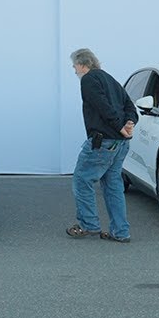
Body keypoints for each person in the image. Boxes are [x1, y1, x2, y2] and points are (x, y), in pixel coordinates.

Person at [66, 48, 138, 243]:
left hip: (103, 142)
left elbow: (102, 106)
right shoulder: (110, 79)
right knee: (113, 185)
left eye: (74, 66)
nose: (74, 70)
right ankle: (120, 232)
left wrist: (119, 126)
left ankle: (88, 225)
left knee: (82, 180)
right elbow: (130, 106)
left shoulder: (88, 79)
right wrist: (129, 123)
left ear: (83, 64)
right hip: (120, 144)